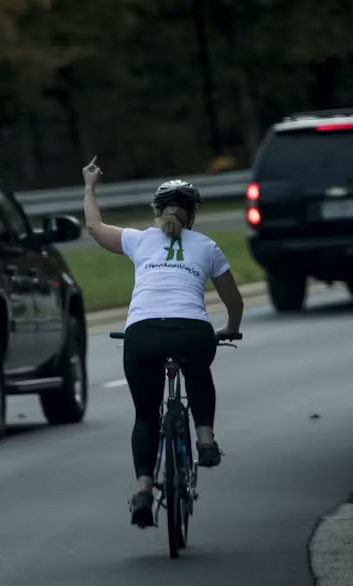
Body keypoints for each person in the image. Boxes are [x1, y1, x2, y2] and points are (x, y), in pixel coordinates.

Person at [81, 156, 244, 528]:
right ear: (193, 215)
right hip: (192, 331)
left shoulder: (139, 240)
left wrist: (90, 187)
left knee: (145, 415)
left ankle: (142, 490)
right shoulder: (207, 246)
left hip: (142, 333)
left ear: (157, 212)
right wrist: (231, 327)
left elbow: (94, 227)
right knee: (198, 371)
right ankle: (204, 441)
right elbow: (233, 299)